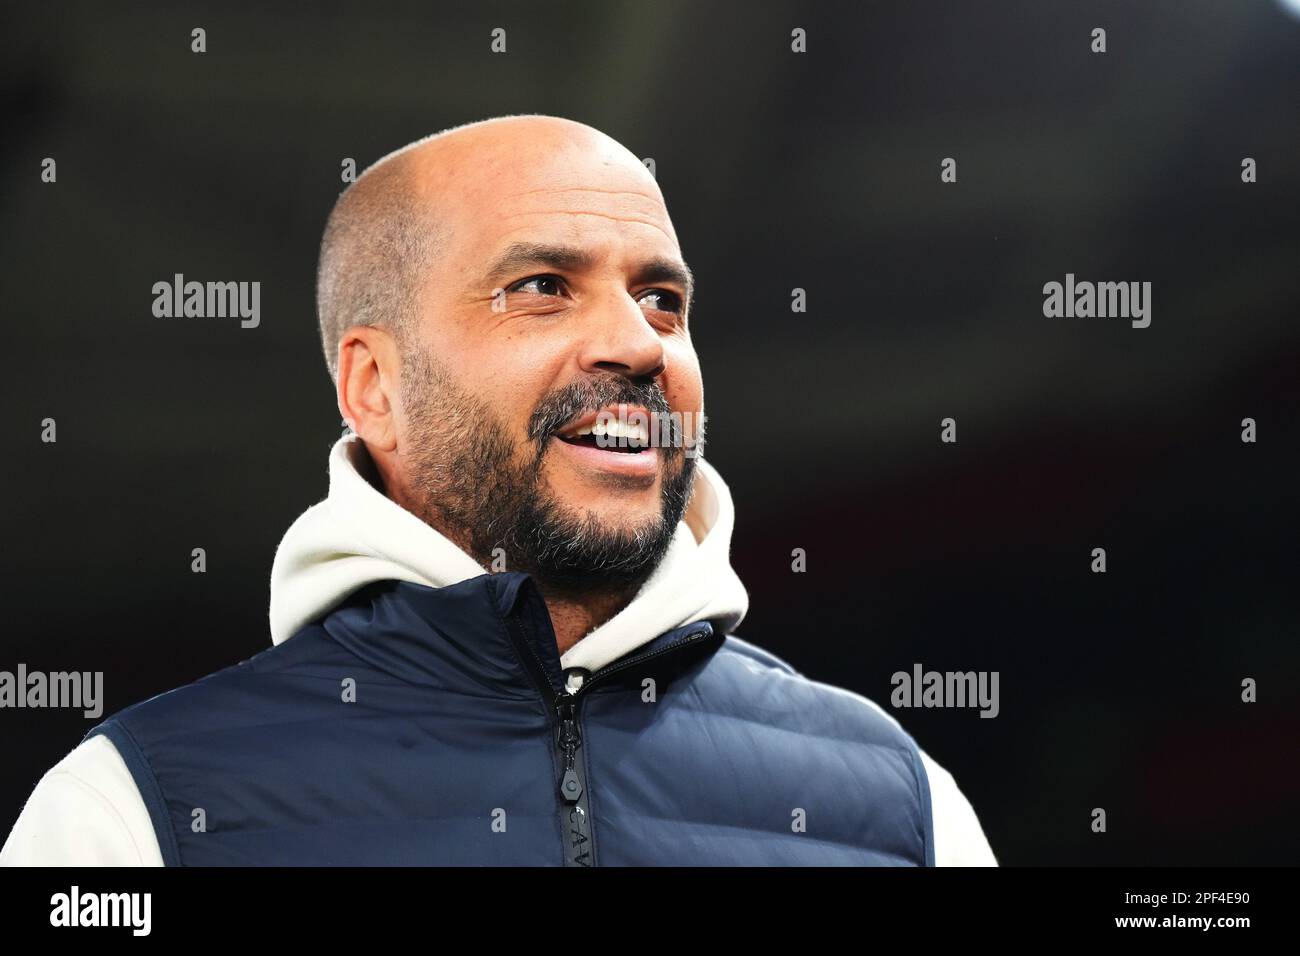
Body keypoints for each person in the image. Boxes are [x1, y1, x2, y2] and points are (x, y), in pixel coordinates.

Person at [1, 115, 996, 866]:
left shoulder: (901, 804)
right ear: (373, 387)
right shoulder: (132, 813)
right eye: (541, 287)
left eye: (663, 298)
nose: (637, 342)